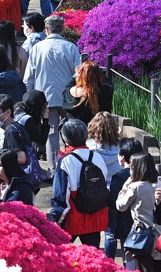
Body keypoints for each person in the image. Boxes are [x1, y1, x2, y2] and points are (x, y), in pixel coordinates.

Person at [24, 14, 81, 166]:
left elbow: (28, 77)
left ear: (47, 29)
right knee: (72, 131)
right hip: (68, 97)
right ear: (62, 29)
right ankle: (72, 164)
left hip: (45, 97)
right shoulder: (71, 47)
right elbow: (78, 74)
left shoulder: (37, 48)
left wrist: (28, 98)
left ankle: (54, 168)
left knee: (51, 132)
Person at [49, 118, 111, 247]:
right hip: (95, 216)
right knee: (93, 258)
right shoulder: (96, 157)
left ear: (66, 140)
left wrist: (57, 218)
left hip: (73, 217)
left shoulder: (66, 161)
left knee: (61, 256)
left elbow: (61, 193)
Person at [116, 151, 160, 272]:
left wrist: (124, 187)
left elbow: (121, 206)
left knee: (134, 264)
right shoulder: (158, 185)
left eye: (132, 167)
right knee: (155, 269)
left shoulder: (135, 187)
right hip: (158, 234)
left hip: (141, 233)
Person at [106, 139, 145, 263]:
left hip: (125, 224)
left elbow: (113, 203)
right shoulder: (147, 175)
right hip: (144, 223)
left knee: (128, 260)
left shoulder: (119, 177)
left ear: (122, 157)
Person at [0, 94, 37, 177]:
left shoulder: (11, 131)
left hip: (17, 179)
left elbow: (21, 158)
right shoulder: (14, 128)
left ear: (8, 112)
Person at [63, 60, 113, 125]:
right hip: (96, 130)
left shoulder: (69, 91)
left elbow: (68, 85)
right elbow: (109, 84)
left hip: (72, 131)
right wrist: (98, 73)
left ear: (79, 74)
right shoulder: (104, 91)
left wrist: (76, 75)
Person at [15, 89, 49, 163]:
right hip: (23, 159)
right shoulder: (27, 120)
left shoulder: (16, 112)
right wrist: (45, 119)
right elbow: (42, 140)